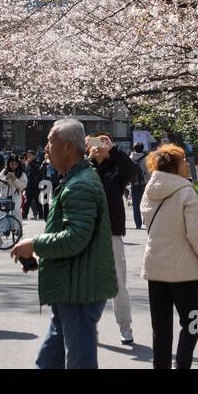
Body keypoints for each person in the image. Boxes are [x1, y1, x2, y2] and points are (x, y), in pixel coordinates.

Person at [10, 118, 118, 369]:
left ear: (67, 146)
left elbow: (76, 237)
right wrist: (42, 256)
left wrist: (35, 243)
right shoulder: (76, 180)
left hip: (79, 289)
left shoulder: (80, 184)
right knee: (51, 357)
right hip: (71, 286)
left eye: (50, 141)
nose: (46, 148)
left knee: (79, 360)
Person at [140, 144, 198, 369]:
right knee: (193, 323)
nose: (188, 164)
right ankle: (183, 365)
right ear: (174, 167)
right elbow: (196, 233)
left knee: (160, 329)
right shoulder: (185, 191)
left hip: (155, 268)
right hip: (183, 271)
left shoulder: (150, 190)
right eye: (183, 161)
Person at [86, 133, 140, 345]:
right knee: (89, 282)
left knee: (118, 281)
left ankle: (124, 324)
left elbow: (133, 172)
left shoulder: (115, 168)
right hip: (87, 232)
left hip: (112, 231)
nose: (99, 147)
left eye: (103, 144)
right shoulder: (83, 169)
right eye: (95, 145)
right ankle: (90, 324)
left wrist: (114, 150)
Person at [22, 148, 45, 220]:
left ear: (34, 156)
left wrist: (31, 163)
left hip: (36, 186)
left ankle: (41, 216)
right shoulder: (27, 164)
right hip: (29, 186)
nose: (28, 157)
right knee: (27, 202)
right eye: (28, 155)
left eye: (30, 155)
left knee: (38, 202)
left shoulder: (37, 162)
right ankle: (24, 216)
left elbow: (39, 172)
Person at [129, 143, 147, 230]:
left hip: (133, 183)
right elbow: (148, 172)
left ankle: (138, 224)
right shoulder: (146, 158)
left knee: (135, 204)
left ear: (134, 148)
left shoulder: (130, 158)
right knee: (145, 202)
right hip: (143, 183)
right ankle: (146, 220)